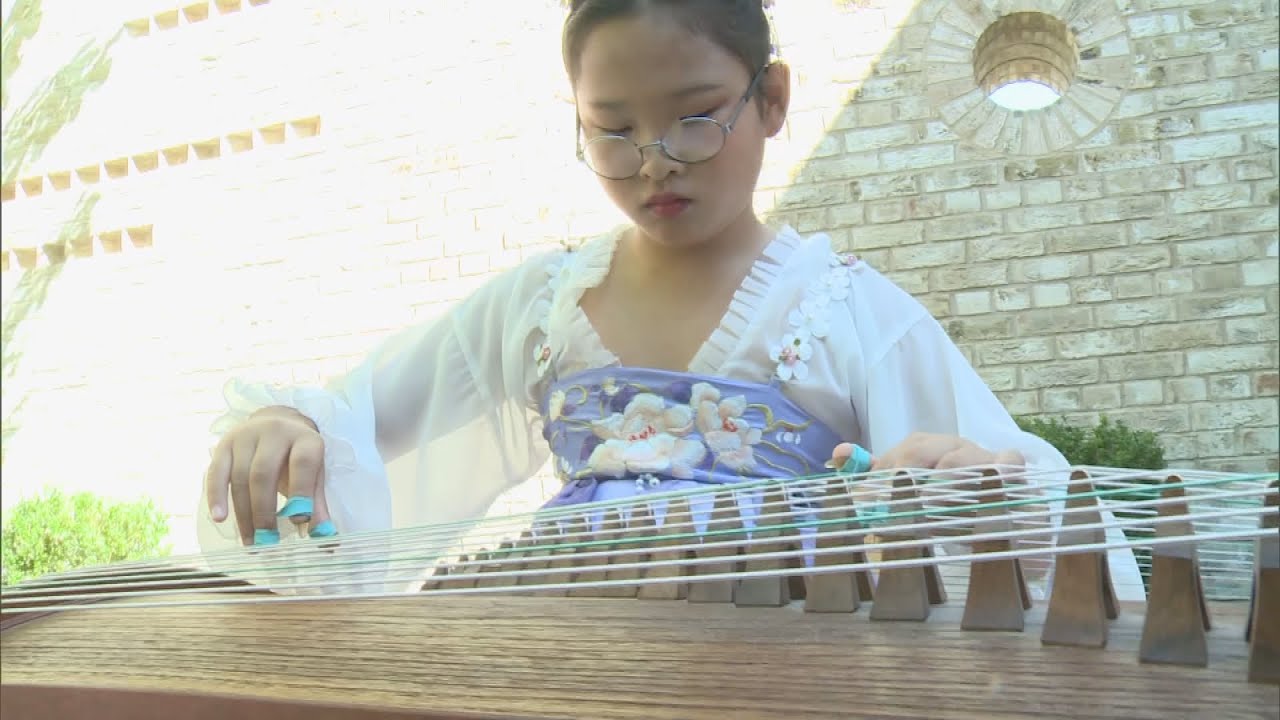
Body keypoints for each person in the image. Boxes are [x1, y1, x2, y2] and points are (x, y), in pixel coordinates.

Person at [199, 0, 1144, 600]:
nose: (654, 160)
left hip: (779, 662)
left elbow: (1017, 491)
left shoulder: (846, 309)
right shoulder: (544, 301)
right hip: (556, 641)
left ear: (771, 99)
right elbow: (367, 409)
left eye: (696, 117)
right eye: (611, 131)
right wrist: (288, 424)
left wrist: (965, 482)